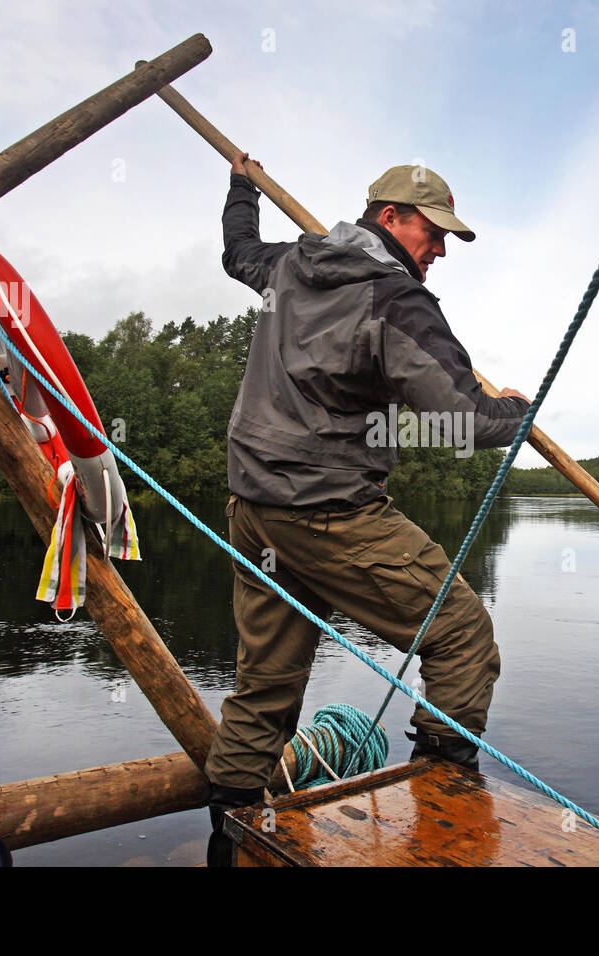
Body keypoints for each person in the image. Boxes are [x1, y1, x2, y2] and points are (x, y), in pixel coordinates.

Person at [204, 152, 530, 866]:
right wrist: (517, 409)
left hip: (255, 507)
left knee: (265, 688)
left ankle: (227, 835)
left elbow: (237, 254)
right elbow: (461, 421)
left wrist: (240, 188)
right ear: (391, 217)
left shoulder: (292, 267)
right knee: (463, 635)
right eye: (433, 232)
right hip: (329, 509)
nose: (440, 249)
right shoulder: (397, 301)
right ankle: (442, 804)